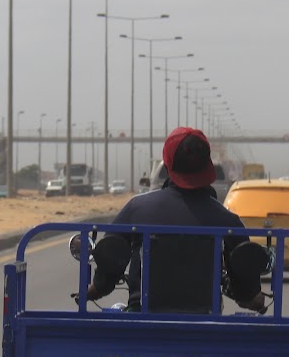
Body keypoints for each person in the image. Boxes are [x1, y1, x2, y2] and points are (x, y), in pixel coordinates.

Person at [85, 126, 267, 313]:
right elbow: (244, 278)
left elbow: (111, 254)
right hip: (205, 322)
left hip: (141, 318)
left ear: (168, 161)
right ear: (207, 164)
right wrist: (252, 298)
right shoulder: (227, 220)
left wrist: (96, 288)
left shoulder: (137, 209)